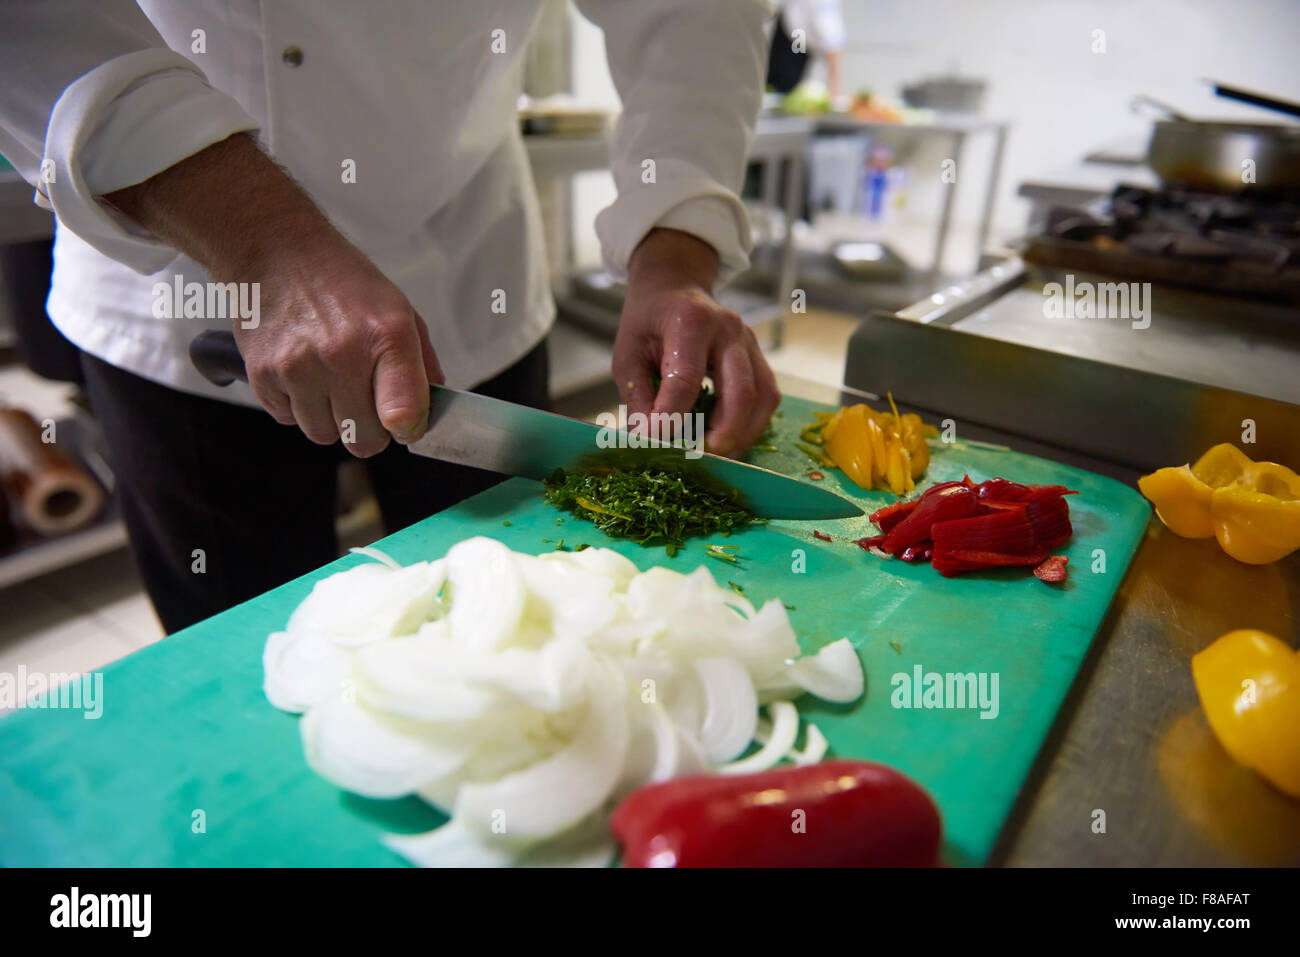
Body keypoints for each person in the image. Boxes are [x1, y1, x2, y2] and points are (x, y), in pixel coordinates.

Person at [0, 1, 780, 633]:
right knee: (240, 650)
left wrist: (678, 247)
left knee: (504, 629)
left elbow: (693, 12)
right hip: (187, 281)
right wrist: (265, 248)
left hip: (466, 279)